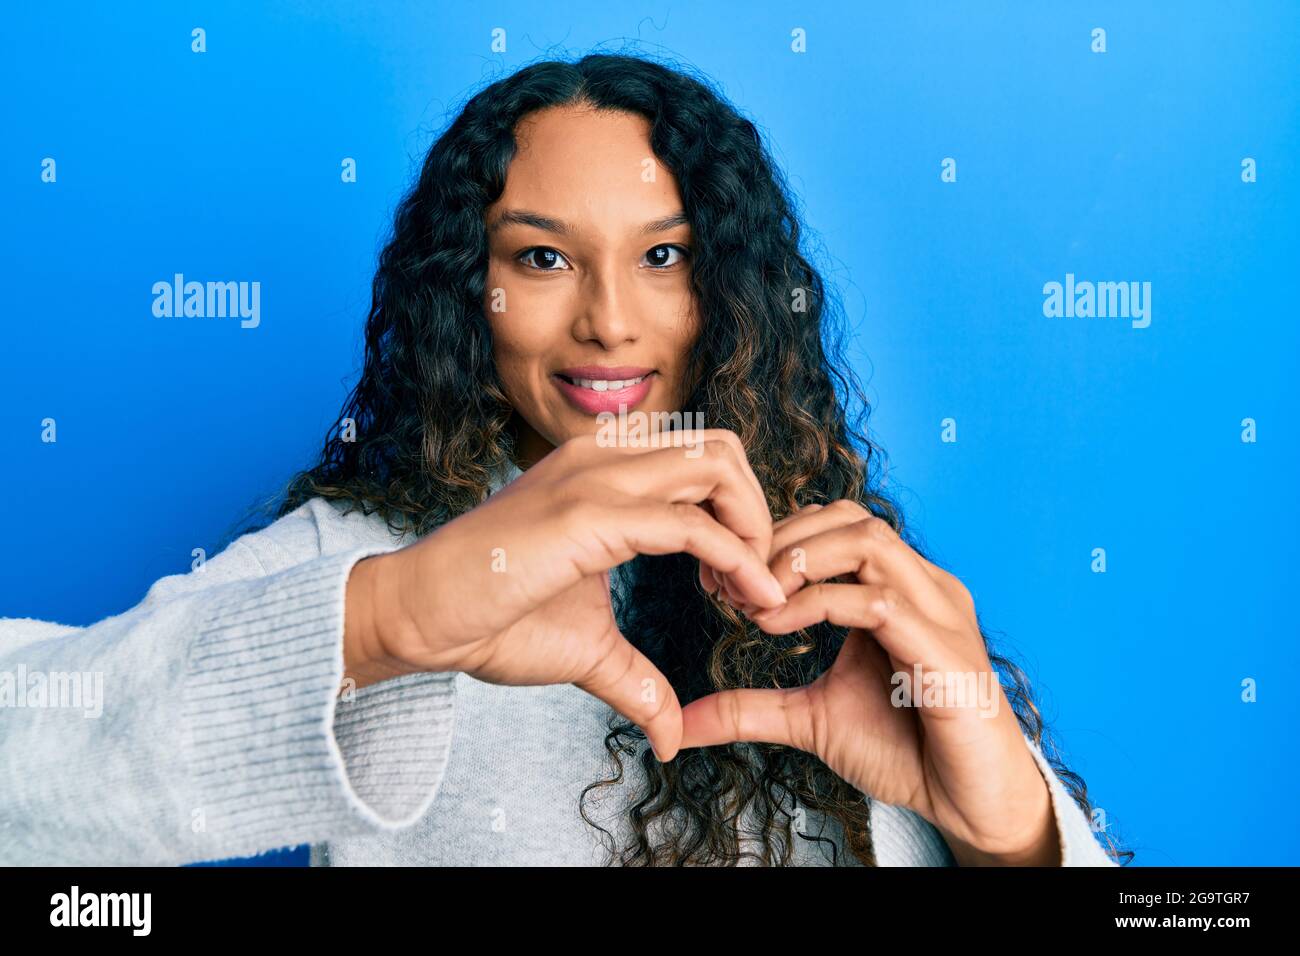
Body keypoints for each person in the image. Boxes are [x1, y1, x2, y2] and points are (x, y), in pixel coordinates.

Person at [0, 53, 1129, 867]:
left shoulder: (832, 580)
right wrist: (388, 617)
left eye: (664, 257)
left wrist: (1013, 839)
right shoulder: (370, 558)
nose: (608, 323)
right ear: (466, 293)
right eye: (542, 256)